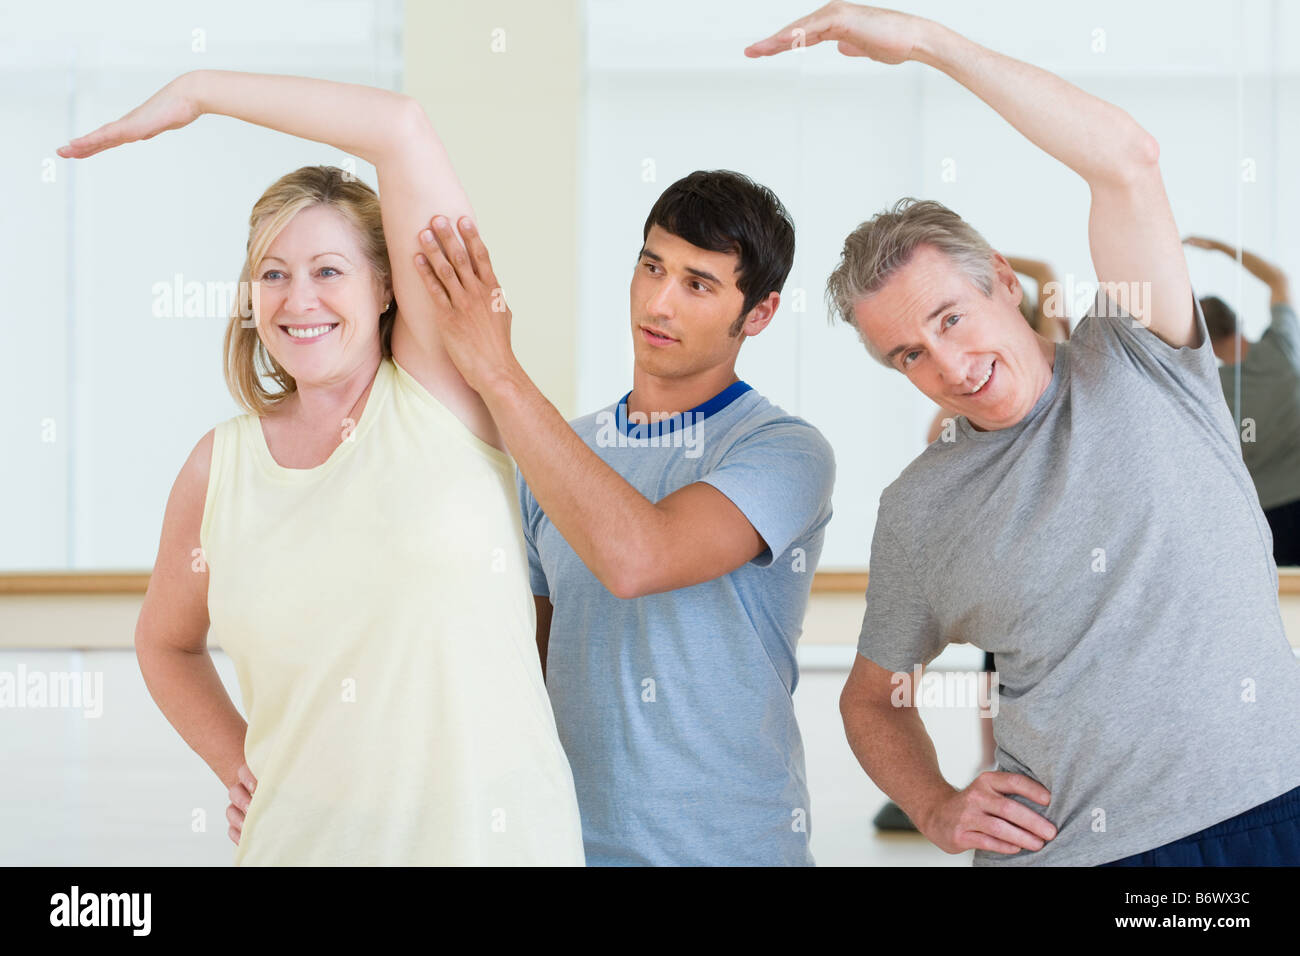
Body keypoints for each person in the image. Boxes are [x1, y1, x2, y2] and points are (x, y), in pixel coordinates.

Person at [747, 2, 1300, 866]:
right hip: (1081, 852)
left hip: (1272, 806)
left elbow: (1127, 159)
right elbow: (872, 698)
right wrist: (934, 805)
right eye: (908, 354)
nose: (949, 364)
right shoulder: (921, 504)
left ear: (1003, 279)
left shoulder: (1138, 349)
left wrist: (931, 44)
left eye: (952, 317)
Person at [59, 69, 584, 865]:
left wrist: (200, 92)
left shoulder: (443, 395)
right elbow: (165, 644)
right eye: (274, 273)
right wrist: (238, 762)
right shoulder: (218, 468)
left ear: (385, 288)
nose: (298, 298)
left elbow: (402, 126)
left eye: (328, 270)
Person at [409, 170, 836, 865]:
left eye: (698, 284)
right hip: (569, 846)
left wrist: (497, 369)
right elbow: (522, 668)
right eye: (651, 267)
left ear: (757, 314)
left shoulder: (784, 452)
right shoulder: (558, 453)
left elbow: (640, 558)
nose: (659, 303)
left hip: (732, 851)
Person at [876, 256, 1071, 833]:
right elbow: (940, 463)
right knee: (996, 676)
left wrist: (1005, 264)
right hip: (1001, 568)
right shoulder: (953, 413)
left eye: (956, 319)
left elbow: (1050, 296)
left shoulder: (1052, 365)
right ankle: (995, 766)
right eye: (913, 352)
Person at [1183, 236, 1300, 565]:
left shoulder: (1207, 392)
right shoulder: (1282, 350)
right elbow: (1278, 278)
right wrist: (1221, 248)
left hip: (1267, 517)